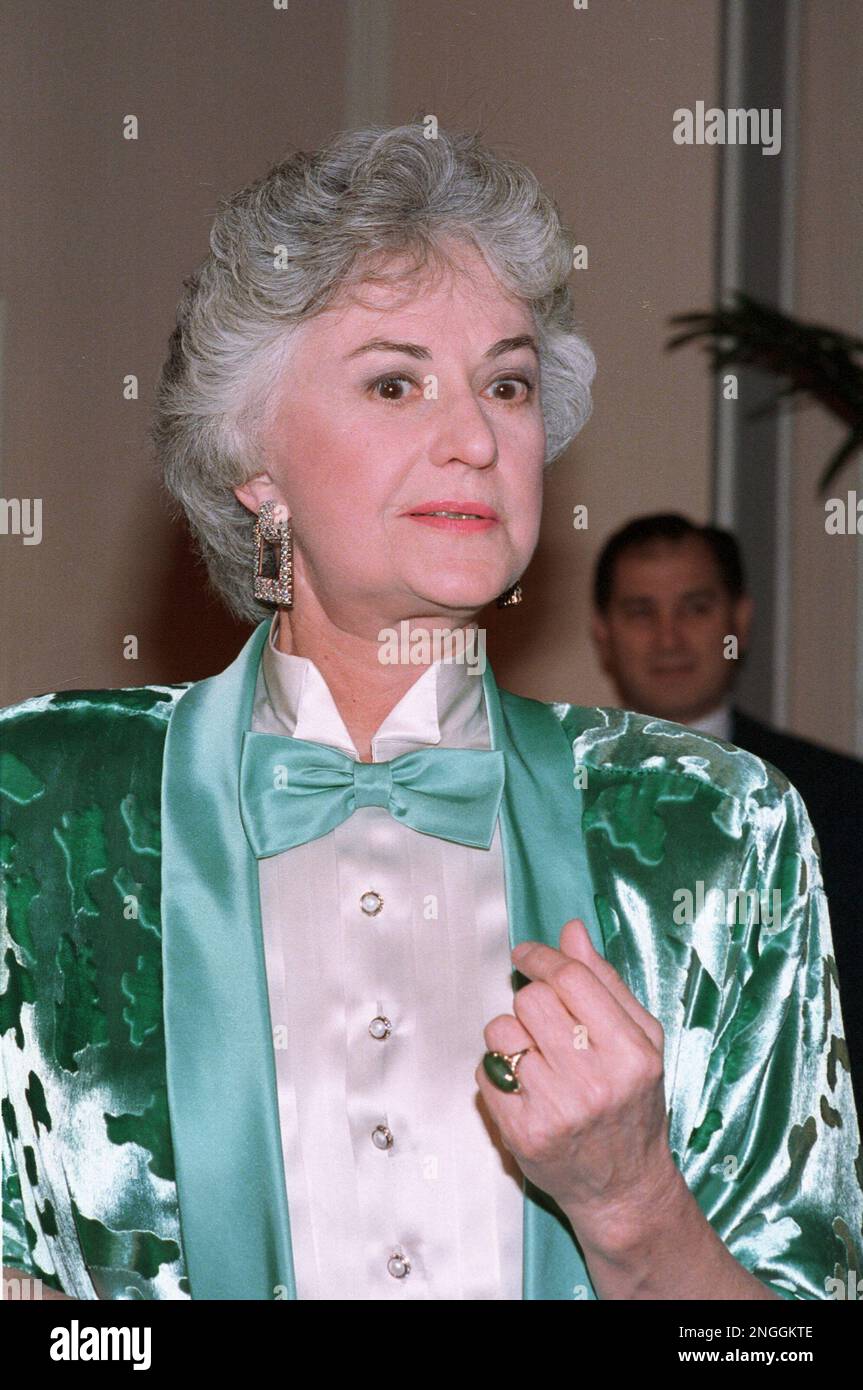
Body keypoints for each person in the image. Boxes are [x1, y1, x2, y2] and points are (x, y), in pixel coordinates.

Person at [2, 125, 861, 1303]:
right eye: (394, 381)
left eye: (505, 384)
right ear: (253, 459)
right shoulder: (45, 801)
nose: (475, 438)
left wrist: (630, 1206)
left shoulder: (716, 826)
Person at [591, 511, 863, 1118]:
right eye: (640, 612)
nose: (669, 637)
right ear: (603, 632)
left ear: (739, 618)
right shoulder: (553, 793)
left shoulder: (841, 800)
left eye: (695, 608)